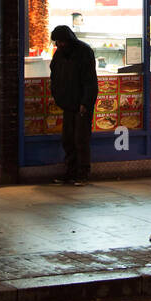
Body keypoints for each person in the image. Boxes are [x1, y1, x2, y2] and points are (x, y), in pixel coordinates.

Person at [49, 24, 98, 185]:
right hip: (68, 103)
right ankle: (70, 171)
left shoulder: (84, 52)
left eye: (62, 41)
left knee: (81, 139)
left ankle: (82, 173)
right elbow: (54, 75)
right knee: (68, 139)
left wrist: (85, 102)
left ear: (69, 40)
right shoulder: (59, 54)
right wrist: (58, 96)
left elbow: (90, 81)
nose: (60, 45)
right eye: (57, 42)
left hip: (82, 104)